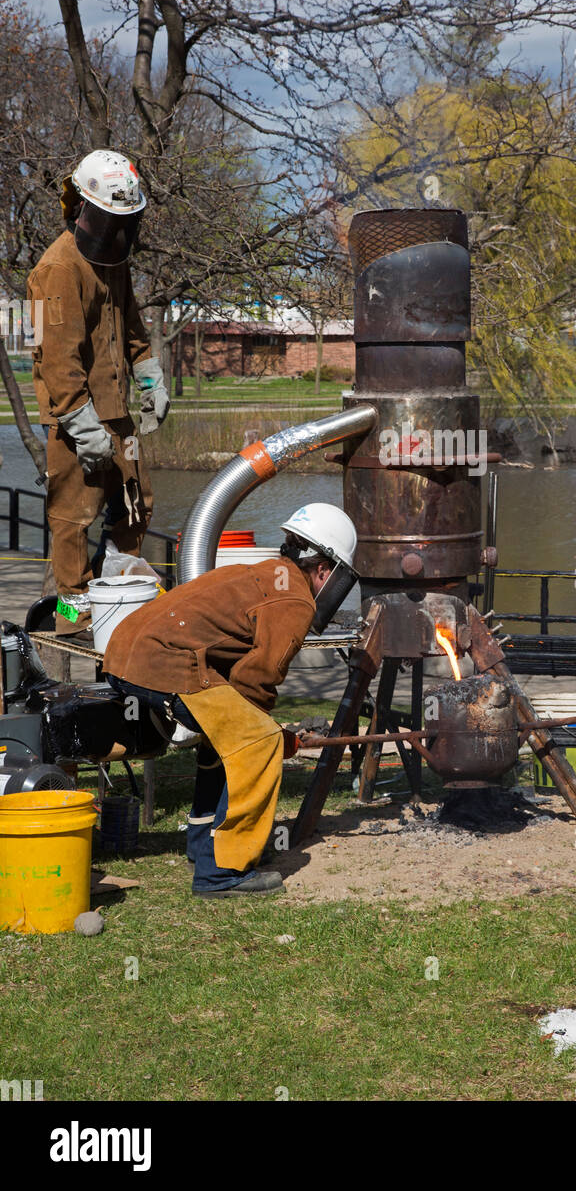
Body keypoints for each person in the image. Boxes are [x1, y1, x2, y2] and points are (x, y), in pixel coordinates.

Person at [103, 504, 359, 897]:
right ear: (325, 569)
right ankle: (223, 871)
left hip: (126, 649)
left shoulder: (258, 573)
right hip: (162, 662)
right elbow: (258, 678)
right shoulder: (295, 599)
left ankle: (205, 844)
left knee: (226, 737)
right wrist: (272, 734)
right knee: (258, 743)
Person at [26, 151, 170, 638]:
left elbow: (131, 327)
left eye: (125, 223)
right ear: (83, 211)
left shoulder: (114, 261)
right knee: (72, 519)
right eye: (110, 222)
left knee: (137, 500)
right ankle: (72, 618)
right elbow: (56, 359)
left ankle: (114, 584)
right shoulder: (56, 270)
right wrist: (81, 426)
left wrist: (149, 375)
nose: (118, 233)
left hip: (117, 414)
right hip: (73, 423)